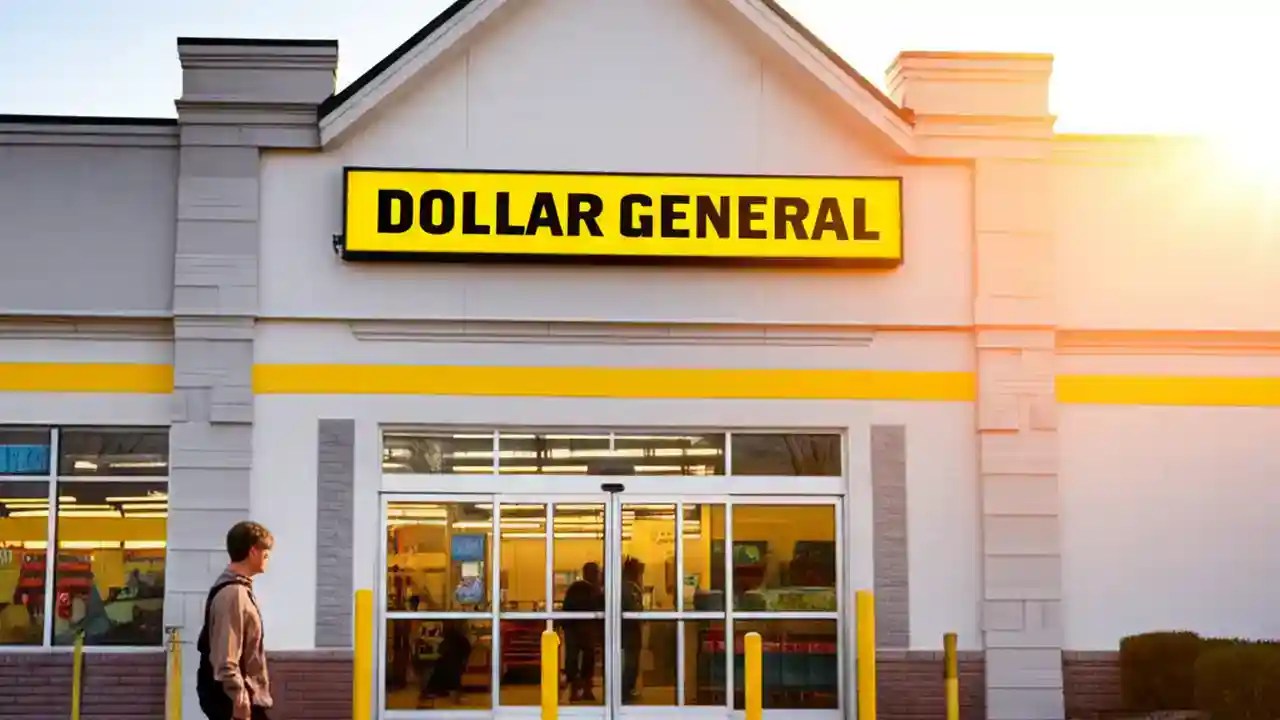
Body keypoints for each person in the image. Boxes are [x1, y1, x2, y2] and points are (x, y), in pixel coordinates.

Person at [197, 521, 274, 720]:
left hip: (240, 697)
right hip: (237, 702)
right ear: (253, 551)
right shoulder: (234, 594)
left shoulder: (238, 590)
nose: (269, 556)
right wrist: (238, 694)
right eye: (266, 551)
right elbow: (226, 652)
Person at [560, 562, 603, 702]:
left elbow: (566, 608)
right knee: (586, 660)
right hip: (583, 631)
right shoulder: (593, 590)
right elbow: (599, 610)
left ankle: (578, 689)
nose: (598, 576)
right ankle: (583, 689)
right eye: (596, 572)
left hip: (574, 630)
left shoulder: (575, 588)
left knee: (574, 660)